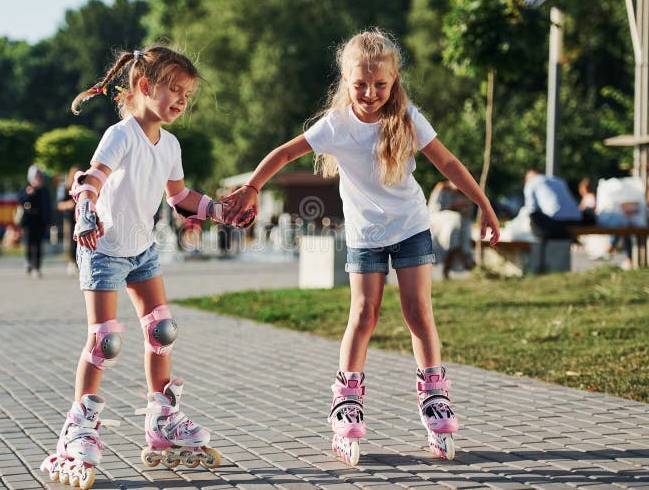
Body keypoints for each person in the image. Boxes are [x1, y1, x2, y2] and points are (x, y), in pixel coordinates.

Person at [223, 29, 499, 463]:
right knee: (364, 313)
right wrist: (253, 186)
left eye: (380, 84)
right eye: (361, 85)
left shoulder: (408, 118)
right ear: (346, 81)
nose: (371, 93)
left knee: (418, 311)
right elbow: (283, 153)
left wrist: (484, 205)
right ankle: (347, 400)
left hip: (410, 226)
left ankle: (435, 394)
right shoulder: (336, 125)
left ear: (394, 80)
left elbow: (447, 162)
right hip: (365, 234)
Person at [39, 46, 232, 487]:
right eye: (175, 90)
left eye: (187, 94)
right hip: (104, 247)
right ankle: (77, 430)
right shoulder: (121, 135)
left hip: (142, 249)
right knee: (104, 341)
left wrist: (220, 211)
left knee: (162, 331)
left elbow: (180, 198)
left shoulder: (171, 145)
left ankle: (162, 420)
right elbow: (91, 180)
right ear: (145, 86)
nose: (182, 100)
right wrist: (85, 211)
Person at [427, 181, 475, 279]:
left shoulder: (465, 193)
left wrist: (464, 208)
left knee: (462, 225)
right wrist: (453, 205)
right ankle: (464, 255)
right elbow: (433, 209)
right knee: (454, 226)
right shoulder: (442, 189)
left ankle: (463, 254)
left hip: (459, 222)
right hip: (440, 220)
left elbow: (469, 213)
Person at [17, 165, 52, 278]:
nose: (38, 178)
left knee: (38, 244)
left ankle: (37, 267)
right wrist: (28, 194)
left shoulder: (44, 190)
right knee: (28, 243)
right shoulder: (26, 188)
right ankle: (29, 262)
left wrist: (48, 221)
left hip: (40, 221)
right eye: (36, 176)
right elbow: (20, 200)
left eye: (39, 176)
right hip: (28, 221)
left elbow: (47, 206)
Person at [57, 166, 81, 276]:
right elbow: (59, 204)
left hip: (80, 218)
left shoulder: (83, 184)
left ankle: (79, 263)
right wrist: (69, 204)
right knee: (71, 242)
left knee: (81, 242)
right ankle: (72, 262)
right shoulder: (65, 187)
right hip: (70, 218)